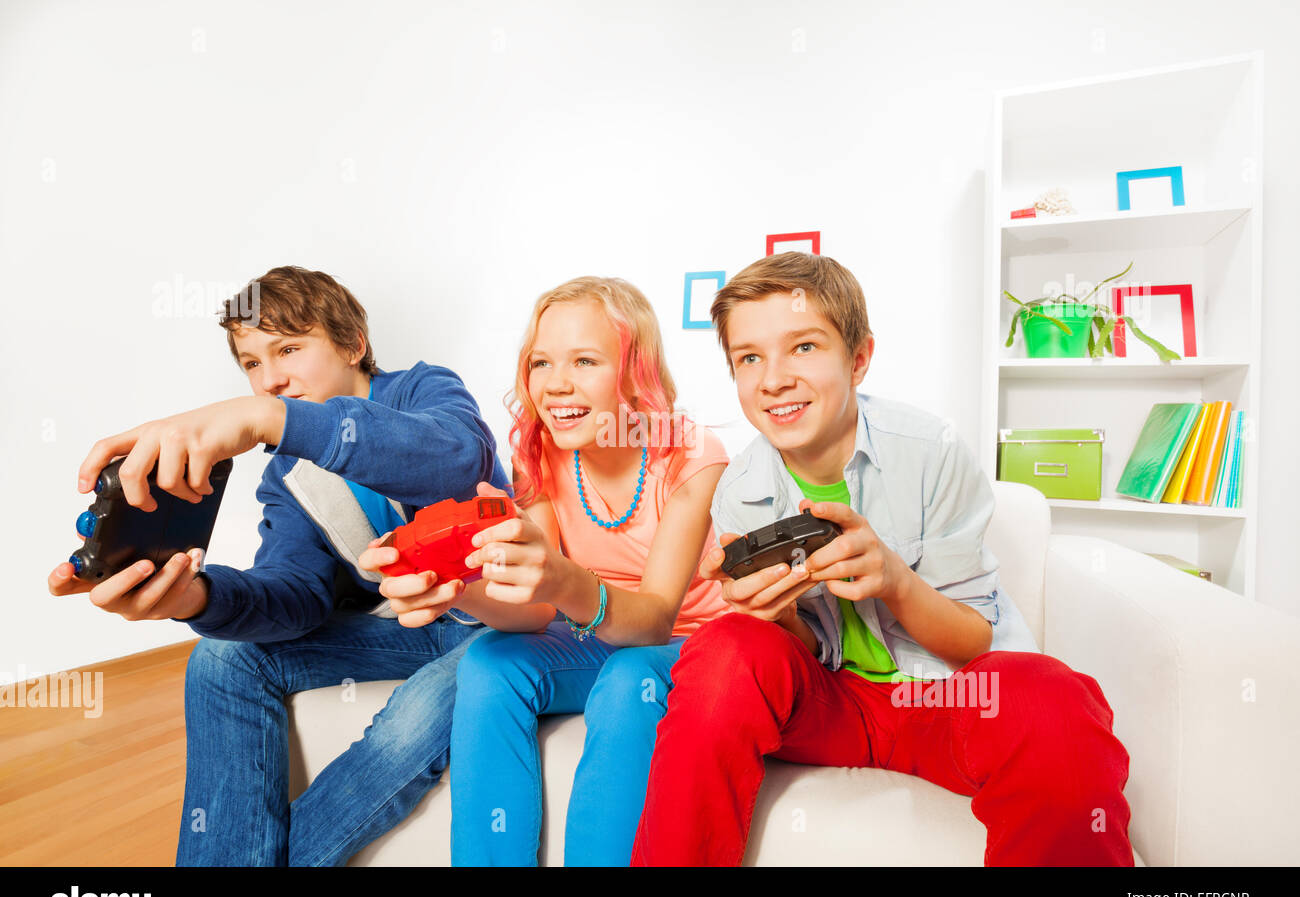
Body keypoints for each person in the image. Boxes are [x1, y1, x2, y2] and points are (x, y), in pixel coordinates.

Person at [630, 252, 1135, 866]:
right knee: (725, 643)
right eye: (749, 359)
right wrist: (775, 617)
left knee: (1047, 695)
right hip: (831, 708)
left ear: (859, 358)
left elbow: (977, 646)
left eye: (805, 348)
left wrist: (895, 580)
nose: (773, 379)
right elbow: (801, 658)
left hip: (943, 701)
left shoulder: (932, 451)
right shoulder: (739, 488)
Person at [48, 265, 528, 866]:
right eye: (252, 364)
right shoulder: (287, 477)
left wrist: (271, 421)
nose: (270, 379)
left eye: (289, 349)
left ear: (353, 344)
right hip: (400, 632)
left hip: (500, 626)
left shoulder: (425, 390)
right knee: (222, 654)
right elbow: (297, 595)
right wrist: (197, 597)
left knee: (410, 724)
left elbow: (455, 461)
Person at [368, 276, 729, 866]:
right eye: (540, 362)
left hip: (687, 640)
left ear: (635, 373)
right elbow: (536, 610)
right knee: (487, 661)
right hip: (595, 628)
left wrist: (561, 580)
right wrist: (459, 589)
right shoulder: (541, 450)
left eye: (585, 360)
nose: (555, 384)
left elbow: (658, 620)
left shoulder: (690, 454)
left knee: (628, 677)